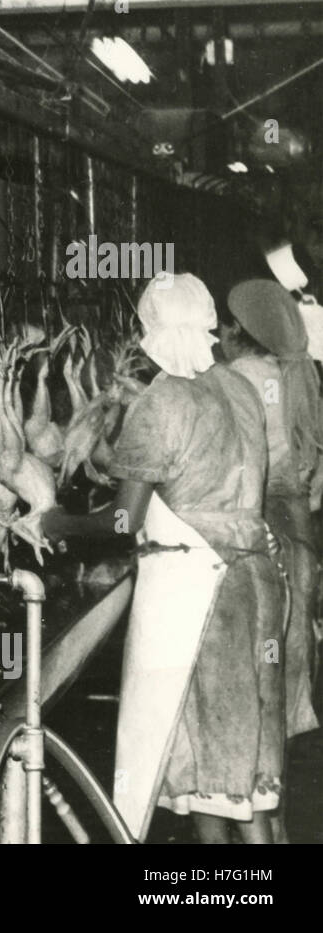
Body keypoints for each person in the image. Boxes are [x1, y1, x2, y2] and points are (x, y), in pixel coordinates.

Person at [43, 273, 286, 844]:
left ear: (152, 331)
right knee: (249, 774)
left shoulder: (161, 402)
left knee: (207, 770)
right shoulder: (241, 390)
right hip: (259, 584)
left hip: (202, 597)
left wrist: (59, 523)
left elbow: (123, 521)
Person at [220, 279, 321, 745]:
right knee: (299, 615)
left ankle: (258, 719)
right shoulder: (294, 373)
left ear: (237, 329)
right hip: (298, 510)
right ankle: (295, 708)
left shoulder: (235, 375)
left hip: (259, 506)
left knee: (263, 618)